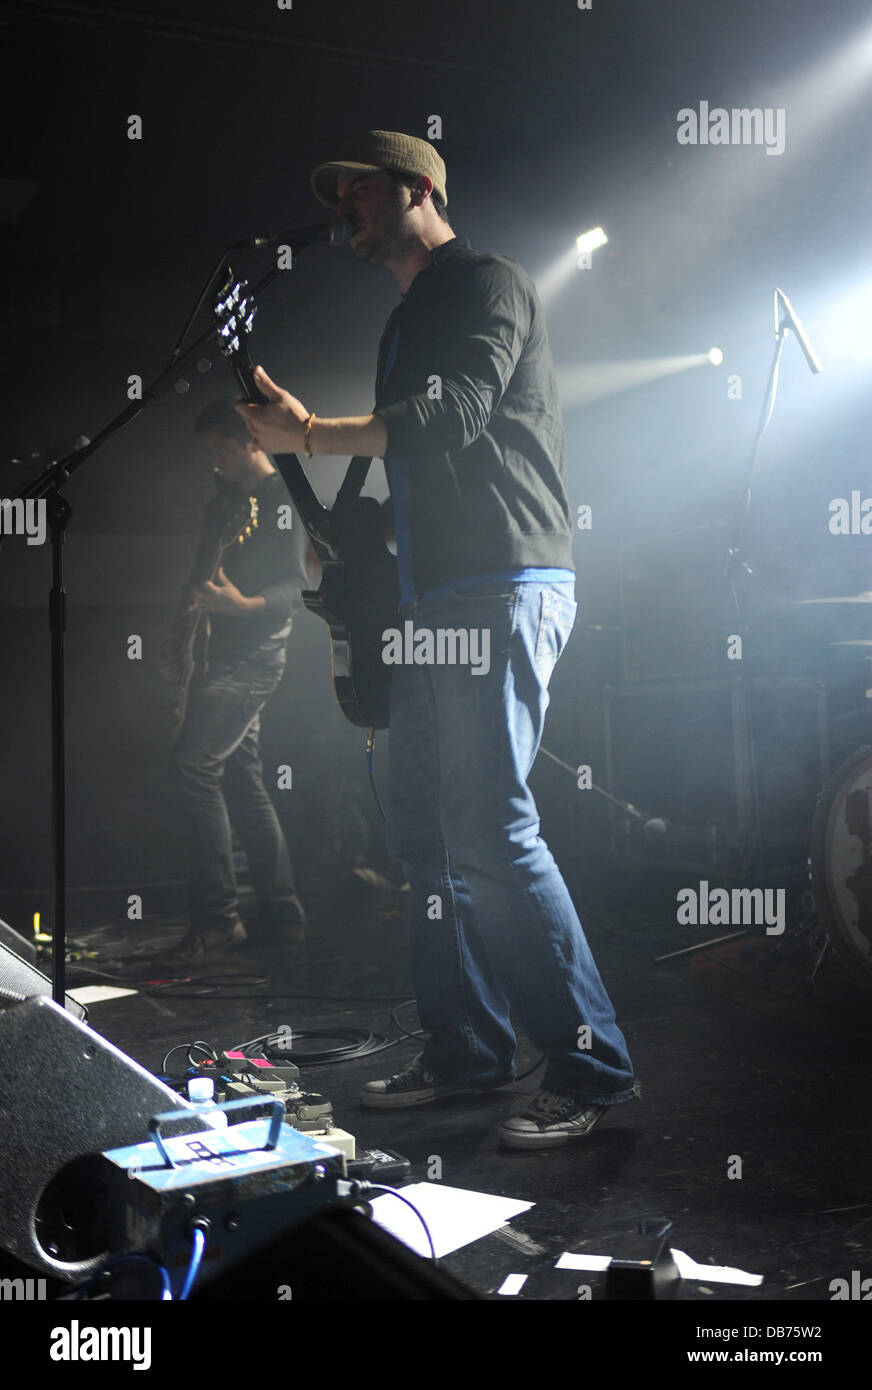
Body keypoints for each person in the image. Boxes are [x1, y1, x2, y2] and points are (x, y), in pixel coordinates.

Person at [236, 131, 639, 1148]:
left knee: (492, 825)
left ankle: (590, 1069)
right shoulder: (407, 314)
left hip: (502, 583)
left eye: (359, 193)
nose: (344, 211)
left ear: (416, 190)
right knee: (423, 834)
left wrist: (311, 433)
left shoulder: (485, 283)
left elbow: (449, 415)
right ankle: (467, 1052)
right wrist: (339, 531)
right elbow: (404, 455)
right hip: (431, 598)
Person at [155, 398, 312, 965]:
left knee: (193, 768)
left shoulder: (280, 502)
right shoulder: (224, 502)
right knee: (244, 782)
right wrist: (179, 634)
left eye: (222, 447)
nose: (215, 459)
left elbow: (293, 591)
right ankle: (283, 914)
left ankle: (220, 922)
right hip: (215, 655)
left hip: (252, 661)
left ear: (251, 439)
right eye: (209, 450)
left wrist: (238, 603)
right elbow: (198, 579)